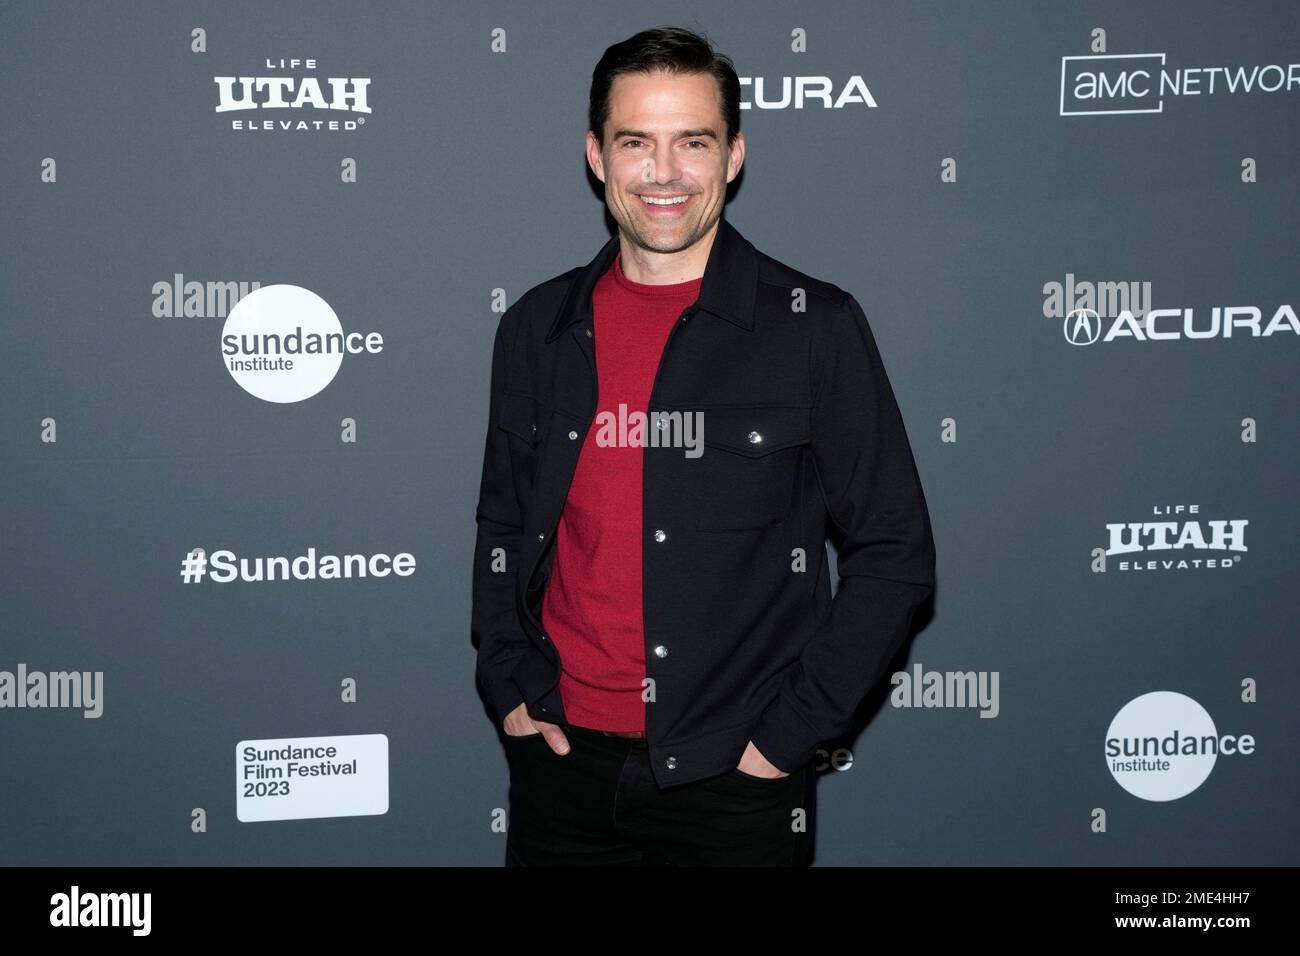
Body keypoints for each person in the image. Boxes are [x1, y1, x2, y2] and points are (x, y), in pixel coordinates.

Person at [471, 26, 936, 866]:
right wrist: (511, 685)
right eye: (635, 142)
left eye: (693, 141)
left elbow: (895, 552)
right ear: (596, 156)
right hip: (560, 772)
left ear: (733, 156)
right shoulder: (537, 328)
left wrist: (786, 740)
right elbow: (504, 525)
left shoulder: (812, 327)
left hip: (736, 785)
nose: (664, 173)